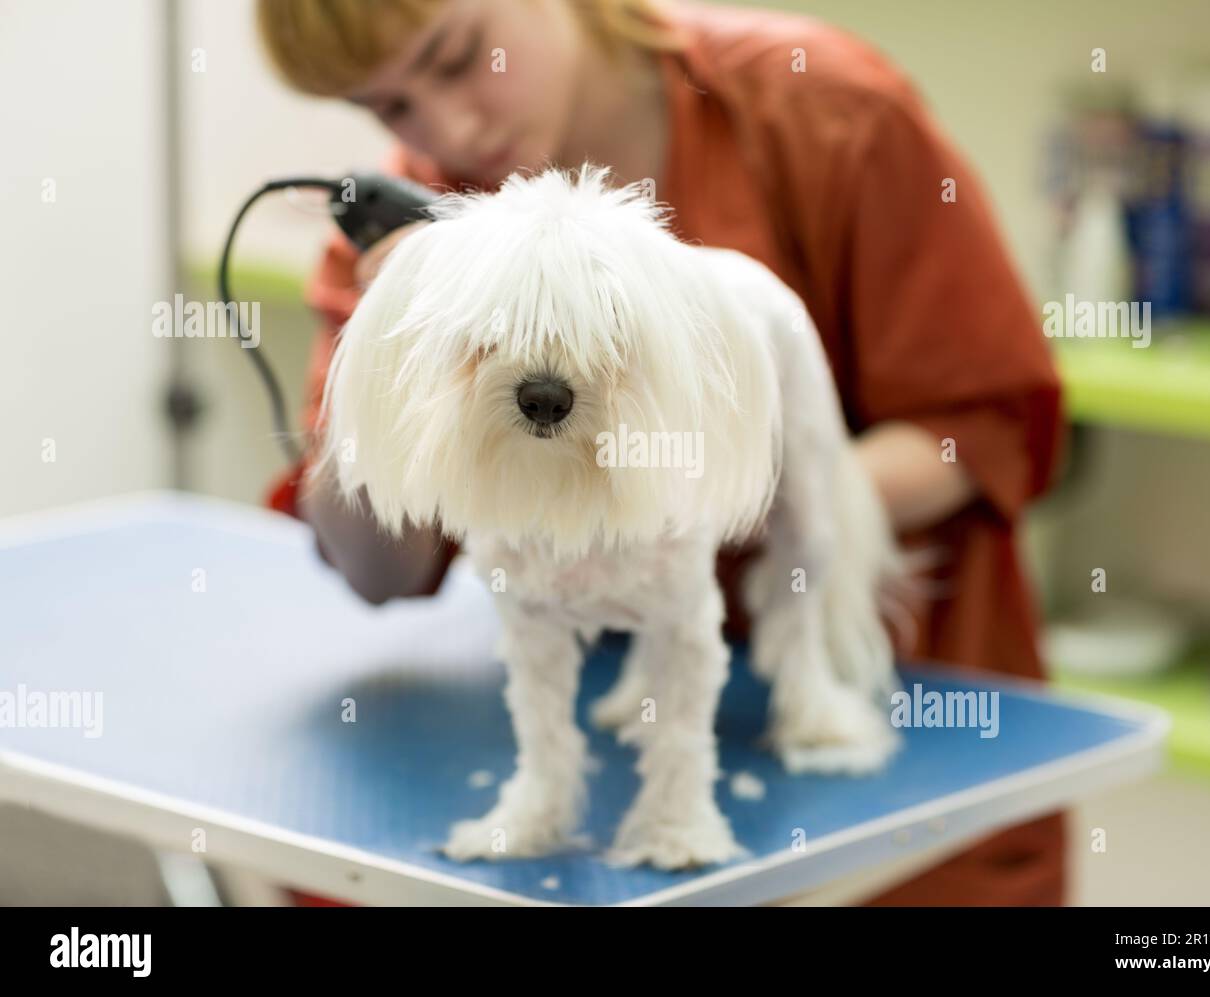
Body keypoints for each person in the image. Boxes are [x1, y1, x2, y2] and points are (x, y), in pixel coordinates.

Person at [256, 0, 1067, 905]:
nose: (449, 127)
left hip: (918, 821)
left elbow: (985, 425)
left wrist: (707, 489)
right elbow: (376, 565)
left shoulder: (829, 109)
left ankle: (810, 678)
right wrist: (396, 377)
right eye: (390, 106)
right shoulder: (406, 222)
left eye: (458, 57)